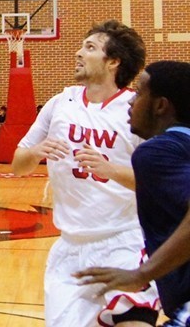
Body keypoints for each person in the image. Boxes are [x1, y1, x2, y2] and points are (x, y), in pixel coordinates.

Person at [12, 20, 158, 327]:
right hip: (70, 247)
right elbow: (17, 164)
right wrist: (36, 153)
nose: (79, 53)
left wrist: (111, 170)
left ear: (113, 61)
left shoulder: (135, 110)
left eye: (90, 47)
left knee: (135, 319)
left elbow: (159, 183)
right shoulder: (60, 103)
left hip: (123, 240)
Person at [75, 61, 190, 325]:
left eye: (139, 93)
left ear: (160, 105)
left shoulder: (159, 151)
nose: (130, 102)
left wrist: (141, 274)